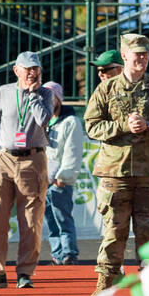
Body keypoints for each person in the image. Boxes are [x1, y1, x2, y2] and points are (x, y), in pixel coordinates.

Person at [83, 33, 149, 296]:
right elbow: (91, 125)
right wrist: (123, 126)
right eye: (136, 54)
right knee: (114, 232)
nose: (141, 58)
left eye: (145, 54)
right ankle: (103, 286)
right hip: (115, 174)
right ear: (124, 56)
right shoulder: (106, 89)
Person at [0, 50, 53, 289]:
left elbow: (44, 120)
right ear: (16, 70)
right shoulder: (3, 91)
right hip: (4, 158)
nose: (32, 73)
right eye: (28, 68)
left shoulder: (46, 94)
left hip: (33, 160)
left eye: (36, 68)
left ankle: (25, 272)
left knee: (31, 219)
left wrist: (33, 97)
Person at [44, 80, 84, 265]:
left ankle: (69, 253)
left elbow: (73, 150)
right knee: (50, 220)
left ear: (59, 98)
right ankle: (57, 253)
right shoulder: (42, 120)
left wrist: (63, 176)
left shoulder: (71, 122)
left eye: (51, 97)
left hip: (59, 180)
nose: (48, 101)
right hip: (43, 181)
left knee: (62, 217)